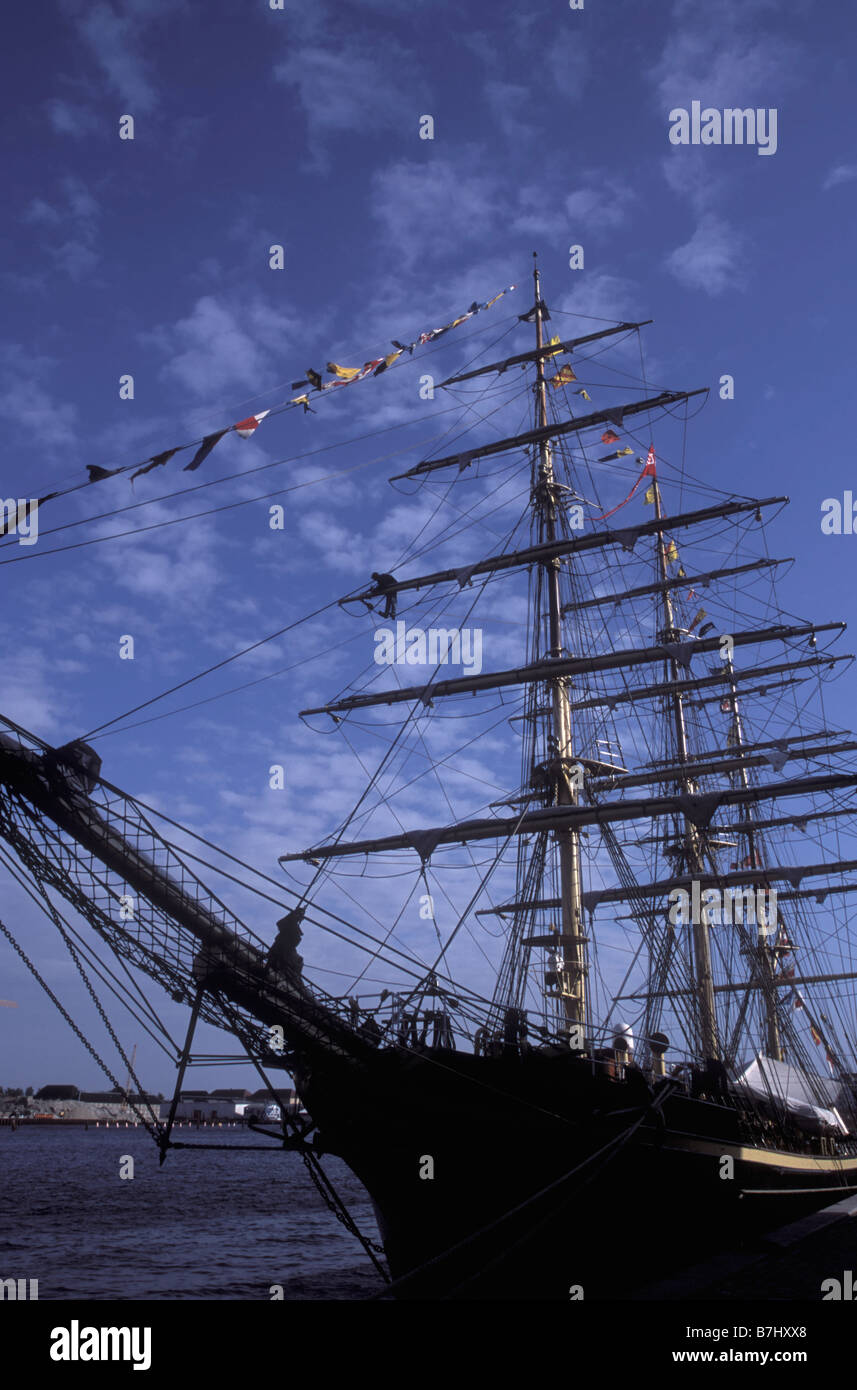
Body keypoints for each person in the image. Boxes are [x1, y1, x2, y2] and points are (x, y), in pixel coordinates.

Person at [266, 907, 305, 980]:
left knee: (299, 961)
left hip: (288, 949)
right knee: (280, 960)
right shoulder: (289, 923)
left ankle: (293, 976)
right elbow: (279, 923)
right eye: (299, 915)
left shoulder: (295, 927)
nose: (299, 918)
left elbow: (296, 941)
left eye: (300, 916)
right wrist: (291, 915)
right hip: (281, 948)